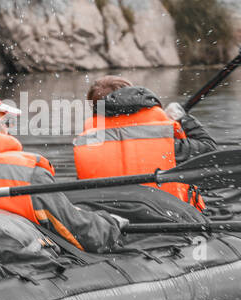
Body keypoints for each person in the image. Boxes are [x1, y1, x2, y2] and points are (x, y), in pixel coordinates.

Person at [0, 81, 126, 253]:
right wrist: (111, 224)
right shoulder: (28, 172)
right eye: (5, 122)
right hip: (23, 266)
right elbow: (80, 233)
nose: (9, 129)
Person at [73, 75, 217, 209]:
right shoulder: (165, 142)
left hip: (111, 219)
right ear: (134, 97)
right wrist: (182, 119)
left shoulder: (87, 145)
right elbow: (209, 150)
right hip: (168, 216)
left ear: (96, 109)